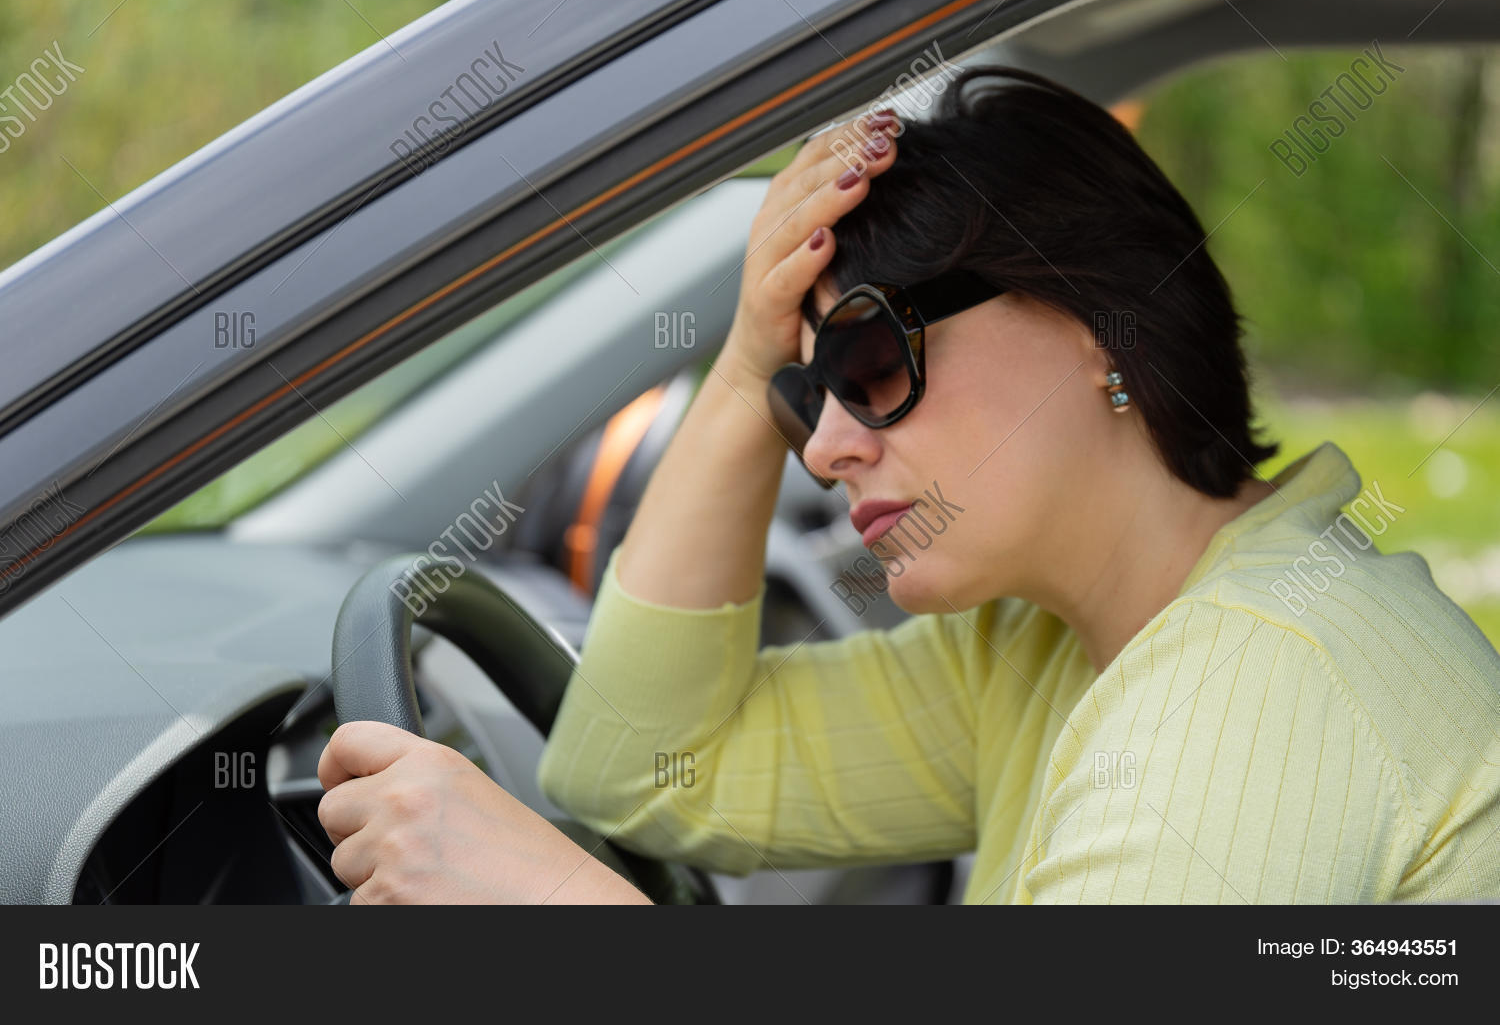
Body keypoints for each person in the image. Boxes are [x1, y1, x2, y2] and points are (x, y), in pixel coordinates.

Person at [316, 66, 1500, 904]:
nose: (824, 446)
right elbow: (639, 770)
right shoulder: (1042, 650)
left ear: (1101, 325)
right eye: (805, 391)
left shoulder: (1258, 683)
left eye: (871, 358)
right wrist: (740, 373)